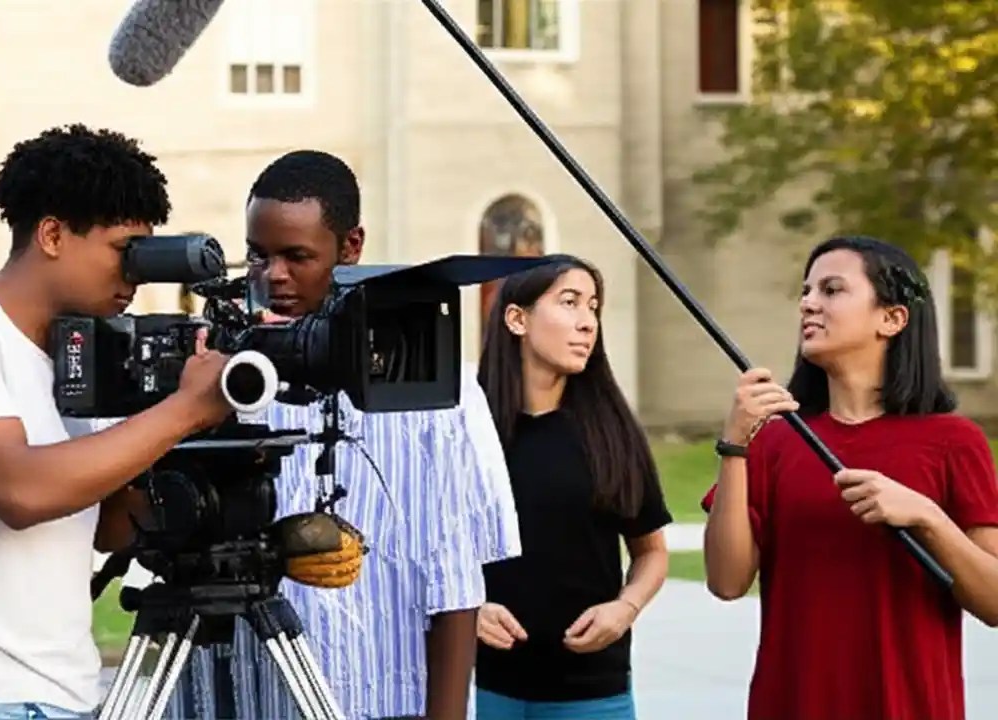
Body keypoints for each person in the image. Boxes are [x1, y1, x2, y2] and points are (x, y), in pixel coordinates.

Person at [159, 149, 522, 720]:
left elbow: (455, 578)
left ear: (351, 247)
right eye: (258, 255)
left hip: (387, 697)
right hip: (253, 699)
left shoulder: (436, 382)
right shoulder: (221, 377)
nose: (273, 275)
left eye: (297, 256)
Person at [0, 124, 233, 720]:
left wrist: (203, 446)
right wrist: (180, 412)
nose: (135, 275)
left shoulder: (85, 351)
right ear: (52, 234)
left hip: (68, 688)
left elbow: (106, 528)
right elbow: (20, 491)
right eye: (123, 251)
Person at [702, 235, 998, 720]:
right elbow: (727, 581)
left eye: (832, 290)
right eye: (806, 291)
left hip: (910, 705)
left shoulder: (954, 441)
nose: (808, 304)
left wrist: (926, 516)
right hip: (793, 703)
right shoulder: (775, 442)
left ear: (892, 318)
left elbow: (994, 602)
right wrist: (735, 445)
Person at [472, 256, 671, 719]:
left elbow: (651, 552)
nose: (587, 323)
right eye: (569, 303)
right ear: (517, 318)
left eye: (594, 307)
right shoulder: (469, 431)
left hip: (594, 694)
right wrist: (470, 608)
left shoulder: (612, 432)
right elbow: (434, 549)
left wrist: (625, 608)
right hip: (492, 689)